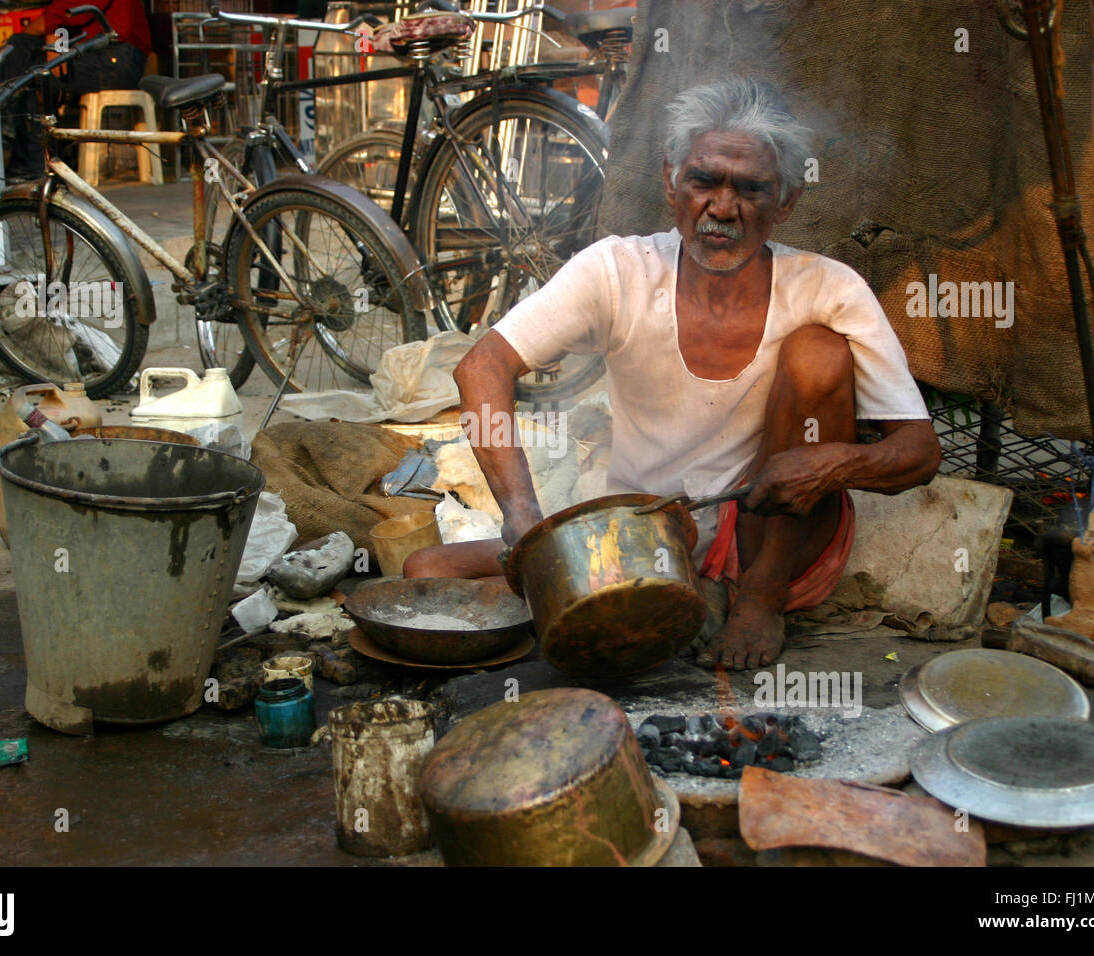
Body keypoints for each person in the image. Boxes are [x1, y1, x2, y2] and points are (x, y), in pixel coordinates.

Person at [403, 75, 942, 672]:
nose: (723, 208)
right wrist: (524, 518)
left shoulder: (829, 288)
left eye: (752, 189)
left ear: (786, 201)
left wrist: (834, 463)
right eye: (704, 180)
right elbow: (483, 366)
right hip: (643, 534)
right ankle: (671, 595)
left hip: (767, 537)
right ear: (670, 182)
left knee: (818, 353)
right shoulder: (618, 271)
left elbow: (918, 452)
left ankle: (757, 600)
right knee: (425, 573)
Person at [0, 0, 152, 180]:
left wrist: (53, 32)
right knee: (24, 49)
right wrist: (55, 38)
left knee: (34, 72)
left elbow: (64, 13)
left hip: (117, 58)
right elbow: (64, 22)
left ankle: (27, 160)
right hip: (101, 53)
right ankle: (18, 143)